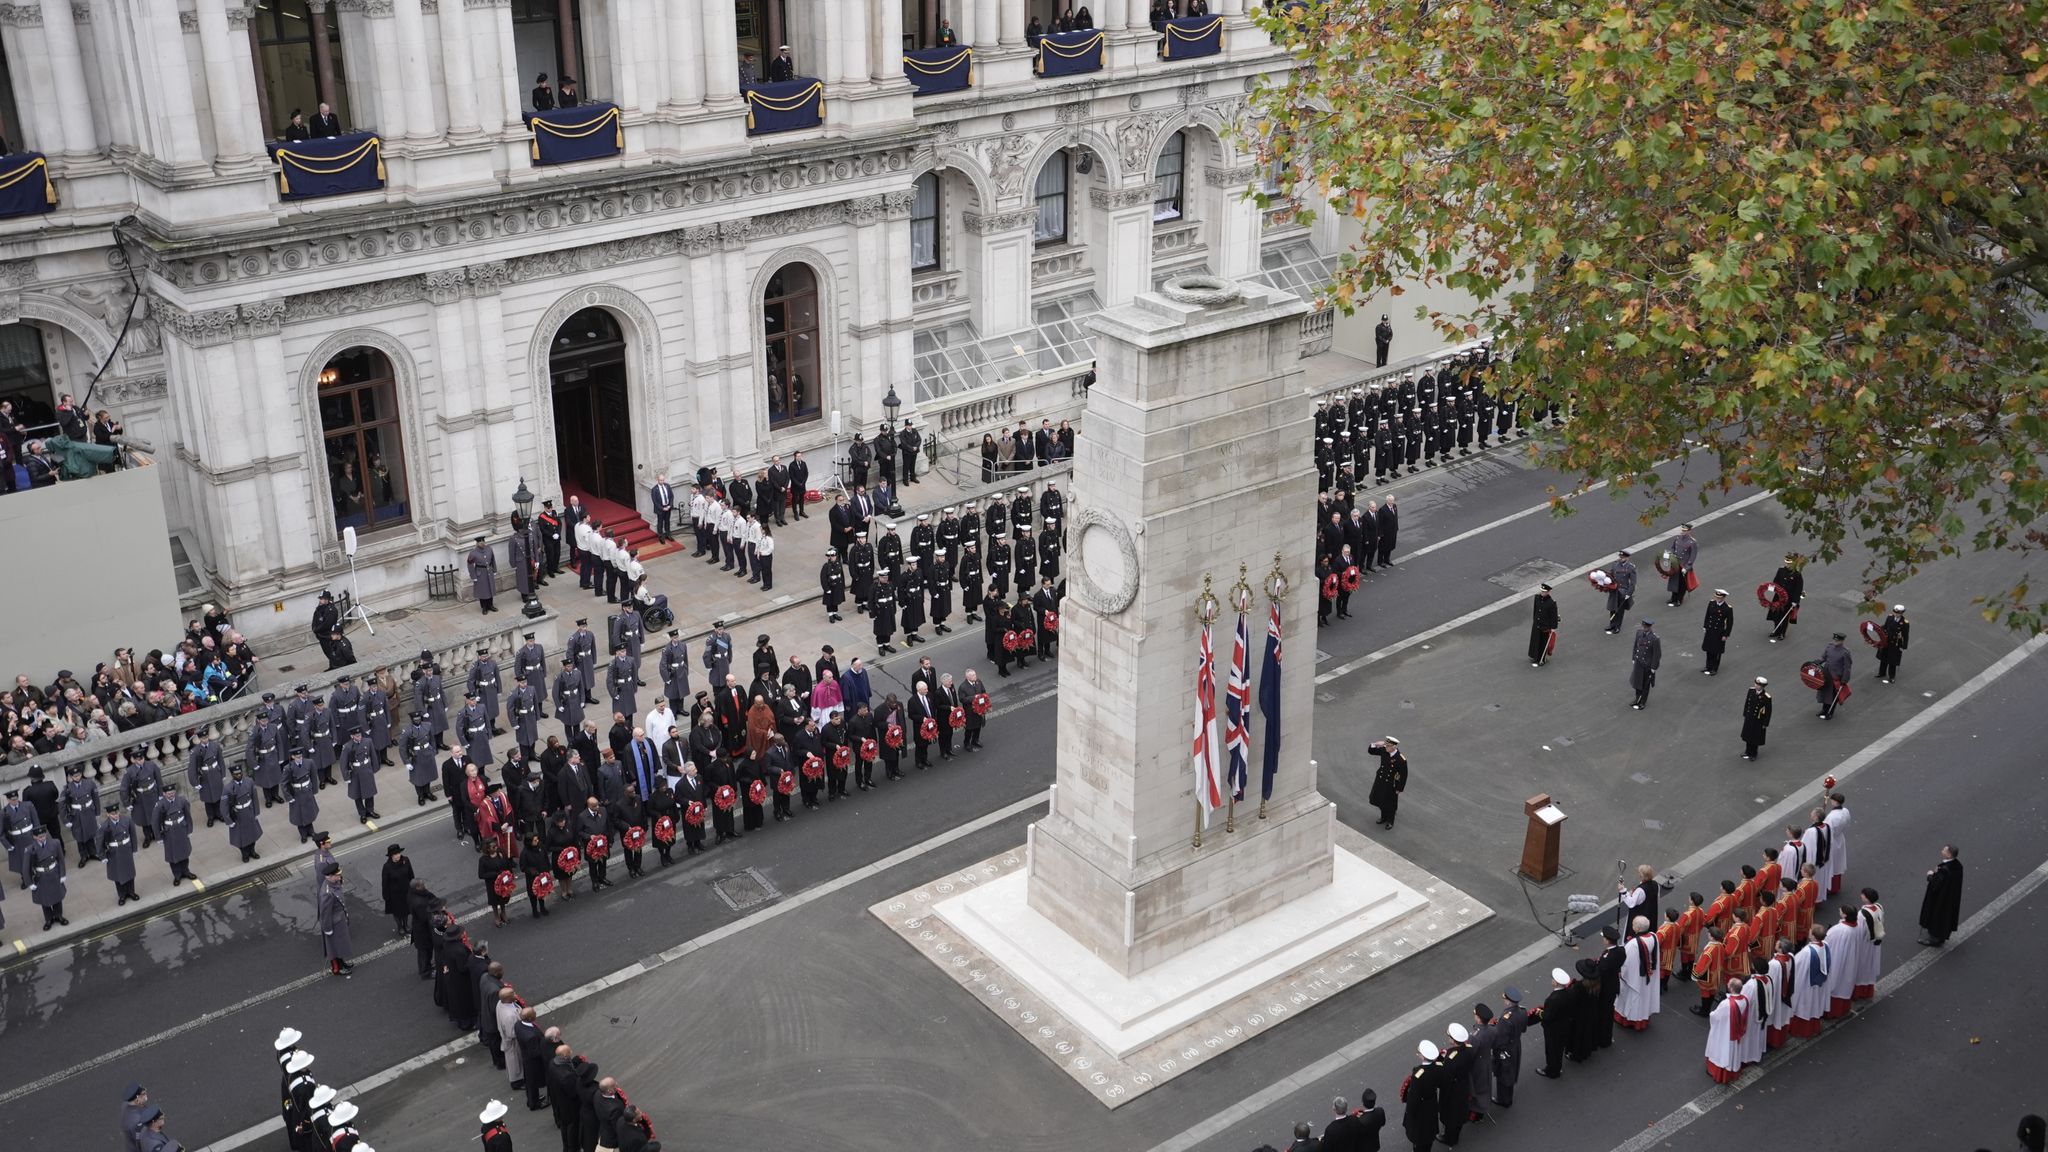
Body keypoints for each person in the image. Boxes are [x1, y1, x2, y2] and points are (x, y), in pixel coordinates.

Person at [1529, 967, 1573, 1078]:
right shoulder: (1567, 993)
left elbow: (1547, 1016)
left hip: (1553, 1030)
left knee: (1552, 1050)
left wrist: (1539, 1012)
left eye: (1552, 979)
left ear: (1556, 982)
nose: (1551, 980)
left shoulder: (1554, 999)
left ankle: (1552, 1071)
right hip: (1564, 1026)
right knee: (1558, 1050)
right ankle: (1557, 1067)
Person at [1703, 977, 1747, 1082]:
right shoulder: (1744, 1000)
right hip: (1736, 1031)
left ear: (1731, 989)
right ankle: (1731, 1070)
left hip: (1725, 1032)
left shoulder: (1727, 1003)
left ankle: (1717, 1072)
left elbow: (1716, 1016)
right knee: (1732, 1051)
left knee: (1722, 1052)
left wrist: (1711, 1014)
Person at [1399, 1040, 1441, 1152]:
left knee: (1420, 1132)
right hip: (1431, 1102)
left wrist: (1410, 1112)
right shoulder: (1438, 1066)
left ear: (1423, 1057)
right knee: (1430, 1126)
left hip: (1421, 1107)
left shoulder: (1418, 1075)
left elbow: (1413, 1098)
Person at [1918, 844, 1963, 946]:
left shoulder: (1944, 870)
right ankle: (1941, 936)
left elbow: (1935, 883)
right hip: (1950, 897)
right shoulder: (1958, 866)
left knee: (1937, 916)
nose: (1942, 851)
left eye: (1944, 850)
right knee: (1945, 917)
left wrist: (1930, 875)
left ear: (1949, 854)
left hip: (1940, 899)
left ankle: (1934, 938)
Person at [28, 825, 67, 927]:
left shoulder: (55, 843)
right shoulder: (30, 849)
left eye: (43, 836)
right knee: (44, 899)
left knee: (57, 896)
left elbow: (61, 860)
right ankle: (48, 919)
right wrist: (30, 883)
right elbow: (26, 868)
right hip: (41, 876)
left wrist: (62, 874)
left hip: (54, 873)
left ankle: (59, 915)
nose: (42, 838)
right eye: (40, 837)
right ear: (35, 837)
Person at [318, 861, 353, 975]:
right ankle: (339, 967)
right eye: (337, 875)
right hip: (333, 923)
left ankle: (342, 963)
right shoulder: (327, 894)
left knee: (340, 945)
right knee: (335, 947)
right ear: (330, 876)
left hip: (339, 919)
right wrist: (327, 928)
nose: (339, 877)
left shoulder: (332, 883)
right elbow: (325, 913)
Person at [1765, 552, 1805, 641]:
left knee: (1784, 617)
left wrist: (1795, 601)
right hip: (1778, 597)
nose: (1787, 564)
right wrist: (1771, 588)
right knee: (1775, 615)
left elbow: (1798, 589)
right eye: (1787, 563)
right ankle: (1776, 630)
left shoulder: (1797, 574)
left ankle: (1782, 633)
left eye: (1789, 563)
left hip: (1789, 599)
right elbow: (1775, 581)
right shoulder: (1781, 570)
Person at [1367, 738, 1406, 829]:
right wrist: (1376, 744)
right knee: (1380, 800)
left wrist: (1399, 788)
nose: (1386, 747)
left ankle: (1390, 820)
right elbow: (1371, 751)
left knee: (1390, 803)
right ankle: (1383, 817)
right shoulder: (1384, 751)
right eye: (1386, 745)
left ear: (1394, 746)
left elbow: (1403, 775)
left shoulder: (1400, 759)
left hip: (1391, 784)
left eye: (1388, 746)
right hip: (1380, 780)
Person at [1816, 631, 1853, 719]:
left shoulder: (1845, 652)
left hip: (1836, 677)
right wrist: (1818, 661)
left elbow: (1847, 667)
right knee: (1825, 693)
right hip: (1826, 674)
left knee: (1833, 696)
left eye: (1837, 640)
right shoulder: (1829, 647)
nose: (1835, 641)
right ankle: (1824, 710)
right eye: (1834, 640)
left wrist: (1845, 679)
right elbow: (1823, 657)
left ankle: (1830, 712)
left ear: (1842, 641)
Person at [1629, 619, 1662, 709]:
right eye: (1644, 627)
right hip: (1638, 663)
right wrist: (1633, 657)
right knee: (1637, 683)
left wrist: (1654, 667)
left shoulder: (1654, 639)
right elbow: (1635, 646)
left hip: (1647, 665)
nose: (1645, 628)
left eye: (1647, 627)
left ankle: (1642, 702)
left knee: (1645, 685)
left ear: (1650, 627)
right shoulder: (1639, 633)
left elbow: (1657, 654)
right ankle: (1637, 699)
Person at [1700, 589, 1734, 675]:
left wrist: (1726, 635)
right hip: (1710, 630)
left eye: (1720, 597)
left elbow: (1730, 623)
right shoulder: (1711, 603)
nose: (1717, 599)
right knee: (1709, 649)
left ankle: (1714, 668)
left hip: (1719, 633)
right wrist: (1705, 626)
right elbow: (1707, 615)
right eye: (1717, 597)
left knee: (1716, 651)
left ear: (1724, 597)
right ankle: (1708, 666)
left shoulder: (1727, 608)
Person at [1664, 523, 1698, 606]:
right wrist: (1670, 554)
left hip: (1683, 566)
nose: (1683, 532)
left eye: (1685, 530)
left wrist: (1687, 568)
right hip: (1675, 564)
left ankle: (1679, 599)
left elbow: (1692, 557)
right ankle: (1673, 597)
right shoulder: (1677, 538)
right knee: (1674, 582)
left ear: (1689, 531)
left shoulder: (1692, 542)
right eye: (1682, 530)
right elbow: (1673, 548)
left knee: (1682, 584)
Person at [1739, 676, 1772, 760]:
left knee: (1754, 738)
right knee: (1747, 736)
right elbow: (1747, 703)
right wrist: (1745, 714)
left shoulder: (1766, 697)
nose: (1756, 685)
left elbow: (1768, 712)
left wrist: (1765, 723)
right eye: (1756, 683)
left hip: (1758, 720)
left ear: (1763, 686)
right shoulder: (1751, 691)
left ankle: (1753, 754)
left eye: (1758, 685)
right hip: (1749, 718)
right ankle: (1747, 752)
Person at [1604, 549, 1637, 633]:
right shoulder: (1615, 565)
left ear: (1627, 558)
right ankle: (1612, 625)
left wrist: (1628, 594)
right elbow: (1610, 575)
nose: (1621, 558)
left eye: (1623, 557)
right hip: (1614, 591)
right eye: (1620, 556)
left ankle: (1617, 627)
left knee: (1619, 611)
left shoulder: (1630, 567)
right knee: (1612, 608)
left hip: (1623, 592)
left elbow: (1633, 583)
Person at [1527, 583, 1560, 666]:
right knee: (1535, 641)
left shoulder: (1551, 603)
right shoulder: (1537, 598)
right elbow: (1535, 610)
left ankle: (1542, 659)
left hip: (1545, 626)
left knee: (1543, 643)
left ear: (1548, 592)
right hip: (1537, 624)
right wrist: (1535, 620)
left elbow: (1553, 616)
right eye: (1542, 591)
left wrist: (1553, 627)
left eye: (1544, 592)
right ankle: (1535, 656)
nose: (1542, 593)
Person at [1876, 604, 1910, 682]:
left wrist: (1904, 646)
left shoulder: (1904, 623)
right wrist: (1879, 629)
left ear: (1902, 613)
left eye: (1898, 613)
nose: (1896, 614)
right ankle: (1882, 673)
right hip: (1886, 641)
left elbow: (1905, 635)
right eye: (1895, 612)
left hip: (1895, 644)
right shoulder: (1890, 617)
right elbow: (1885, 626)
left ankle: (1892, 676)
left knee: (1892, 661)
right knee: (1883, 658)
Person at [469, 536, 499, 614]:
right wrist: (473, 576)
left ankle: (490, 605)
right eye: (480, 542)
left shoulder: (489, 549)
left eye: (483, 541)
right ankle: (484, 607)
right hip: (480, 573)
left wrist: (494, 570)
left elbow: (493, 560)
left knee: (490, 588)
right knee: (482, 590)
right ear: (477, 543)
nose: (482, 543)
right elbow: (470, 565)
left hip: (489, 571)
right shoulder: (473, 553)